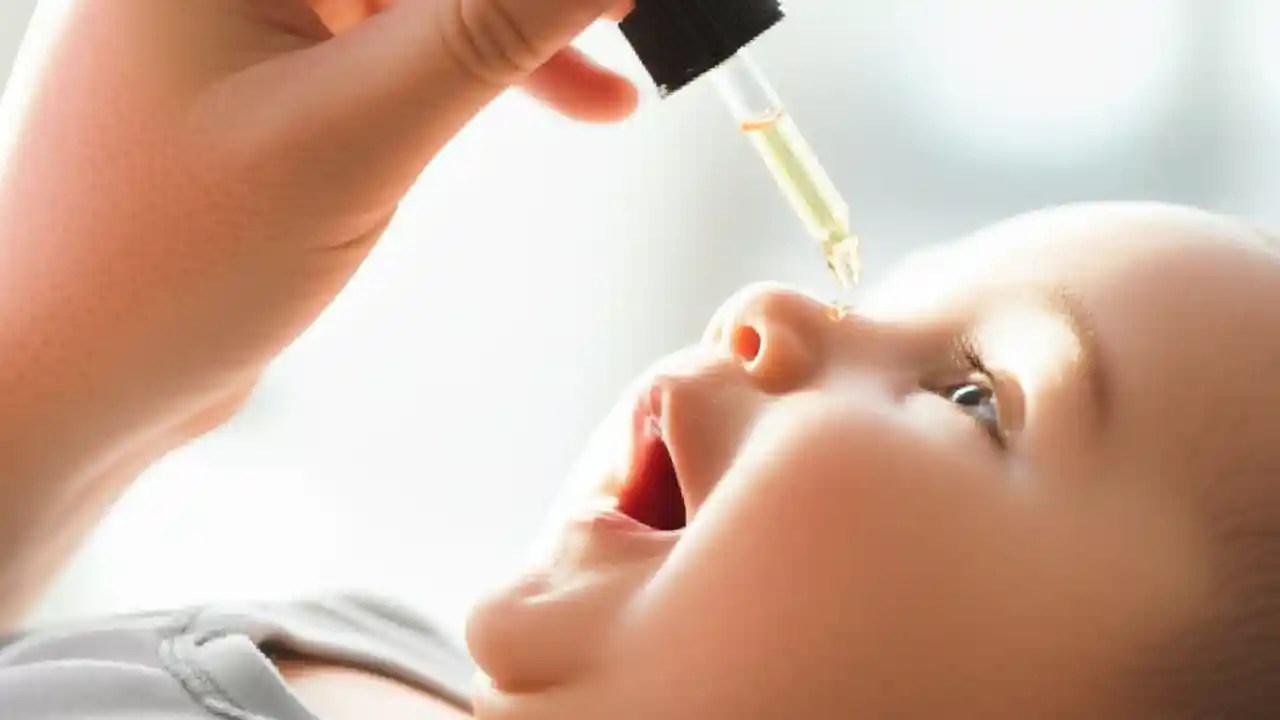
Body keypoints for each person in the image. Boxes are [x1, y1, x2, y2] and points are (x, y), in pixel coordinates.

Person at [1, 3, 1278, 720]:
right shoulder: (368, 639)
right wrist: (77, 365)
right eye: (884, 297)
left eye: (969, 396)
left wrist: (59, 329)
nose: (772, 310)